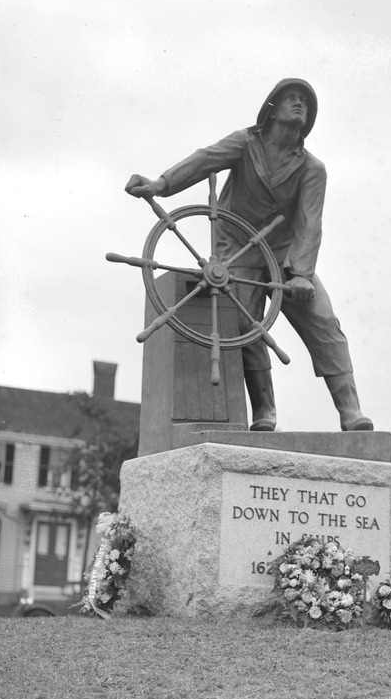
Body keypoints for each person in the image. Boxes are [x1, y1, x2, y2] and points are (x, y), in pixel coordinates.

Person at [125, 78, 373, 433]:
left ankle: (350, 409)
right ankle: (264, 411)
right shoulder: (245, 143)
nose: (299, 103)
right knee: (245, 326)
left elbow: (310, 221)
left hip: (287, 256)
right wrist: (161, 185)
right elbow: (203, 160)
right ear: (272, 108)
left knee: (324, 322)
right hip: (238, 250)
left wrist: (302, 273)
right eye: (291, 98)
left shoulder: (312, 169)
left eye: (304, 100)